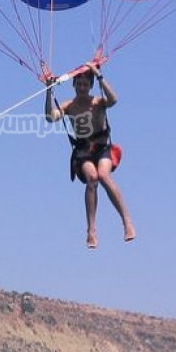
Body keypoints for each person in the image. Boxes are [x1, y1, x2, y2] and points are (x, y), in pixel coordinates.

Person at [45, 62, 136, 249]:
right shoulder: (69, 105)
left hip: (103, 147)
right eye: (79, 84)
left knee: (103, 175)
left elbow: (114, 99)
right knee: (92, 178)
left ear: (91, 86)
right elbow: (50, 117)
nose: (82, 88)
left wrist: (99, 75)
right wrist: (49, 90)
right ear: (74, 85)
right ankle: (91, 230)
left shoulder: (98, 103)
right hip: (83, 150)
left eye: (86, 84)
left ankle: (127, 222)